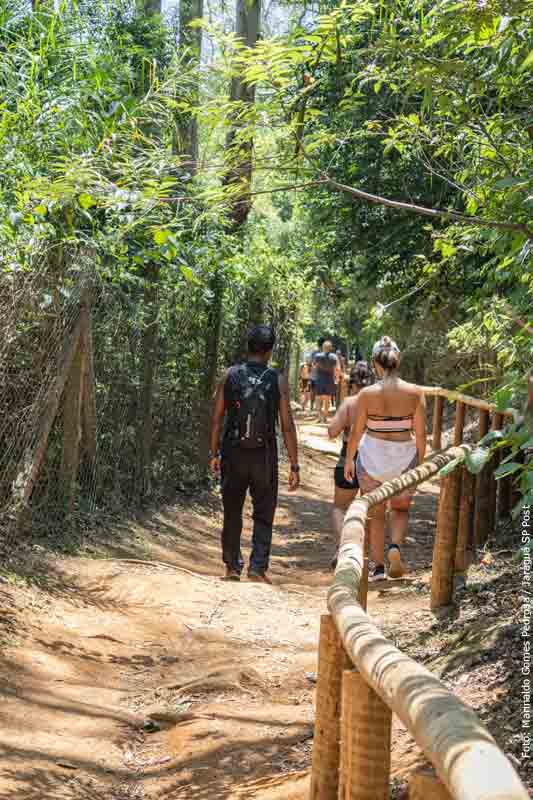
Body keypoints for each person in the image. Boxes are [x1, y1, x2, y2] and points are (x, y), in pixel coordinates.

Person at [209, 324, 300, 584]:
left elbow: (217, 419)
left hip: (233, 451)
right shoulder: (277, 379)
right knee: (264, 510)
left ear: (247, 346)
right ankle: (257, 568)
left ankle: (232, 567)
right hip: (264, 455)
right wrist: (294, 465)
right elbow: (287, 424)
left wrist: (214, 453)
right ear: (270, 351)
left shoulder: (230, 375)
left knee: (232, 509)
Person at [344, 337, 426, 581]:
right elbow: (420, 434)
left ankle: (378, 567)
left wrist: (349, 460)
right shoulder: (415, 392)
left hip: (371, 460)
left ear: (375, 364)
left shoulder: (367, 394)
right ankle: (395, 548)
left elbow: (357, 432)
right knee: (400, 509)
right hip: (404, 459)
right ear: (397, 361)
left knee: (376, 513)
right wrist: (419, 465)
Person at [328, 361, 372, 569]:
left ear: (352, 381)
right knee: (372, 508)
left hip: (348, 457)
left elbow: (332, 431)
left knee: (340, 507)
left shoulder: (350, 402)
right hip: (374, 459)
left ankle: (341, 547)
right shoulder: (378, 403)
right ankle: (367, 557)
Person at [314, 340, 338, 423]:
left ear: (323, 347)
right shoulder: (334, 357)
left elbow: (315, 368)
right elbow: (335, 369)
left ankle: (319, 416)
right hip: (329, 379)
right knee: (327, 399)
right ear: (330, 348)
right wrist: (336, 379)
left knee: (318, 399)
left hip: (319, 379)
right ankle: (325, 417)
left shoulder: (317, 356)